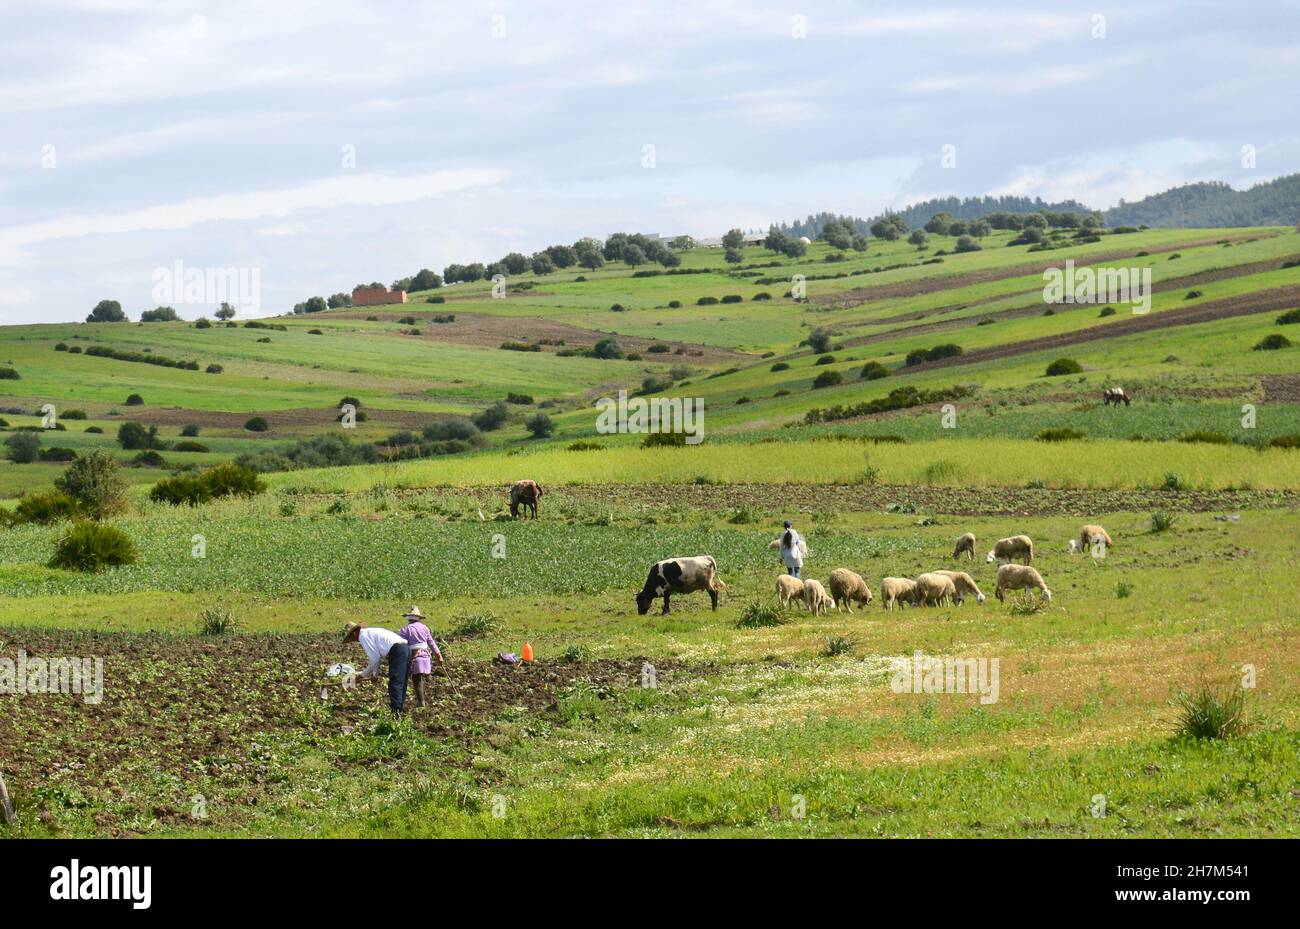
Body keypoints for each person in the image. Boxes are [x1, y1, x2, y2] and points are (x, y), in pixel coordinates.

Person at [343, 622, 411, 714]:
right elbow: (374, 660)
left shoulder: (363, 636)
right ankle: (399, 708)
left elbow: (374, 659)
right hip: (406, 649)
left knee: (395, 682)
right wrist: (364, 675)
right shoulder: (369, 632)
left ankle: (396, 712)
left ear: (354, 633)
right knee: (401, 681)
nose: (355, 641)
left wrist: (374, 675)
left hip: (397, 650)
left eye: (352, 638)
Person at [397, 606, 443, 708]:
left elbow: (401, 644)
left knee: (416, 679)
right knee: (420, 678)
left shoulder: (406, 630)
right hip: (426, 656)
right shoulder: (425, 628)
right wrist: (438, 655)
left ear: (408, 618)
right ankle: (420, 700)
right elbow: (431, 642)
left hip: (414, 657)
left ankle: (421, 702)